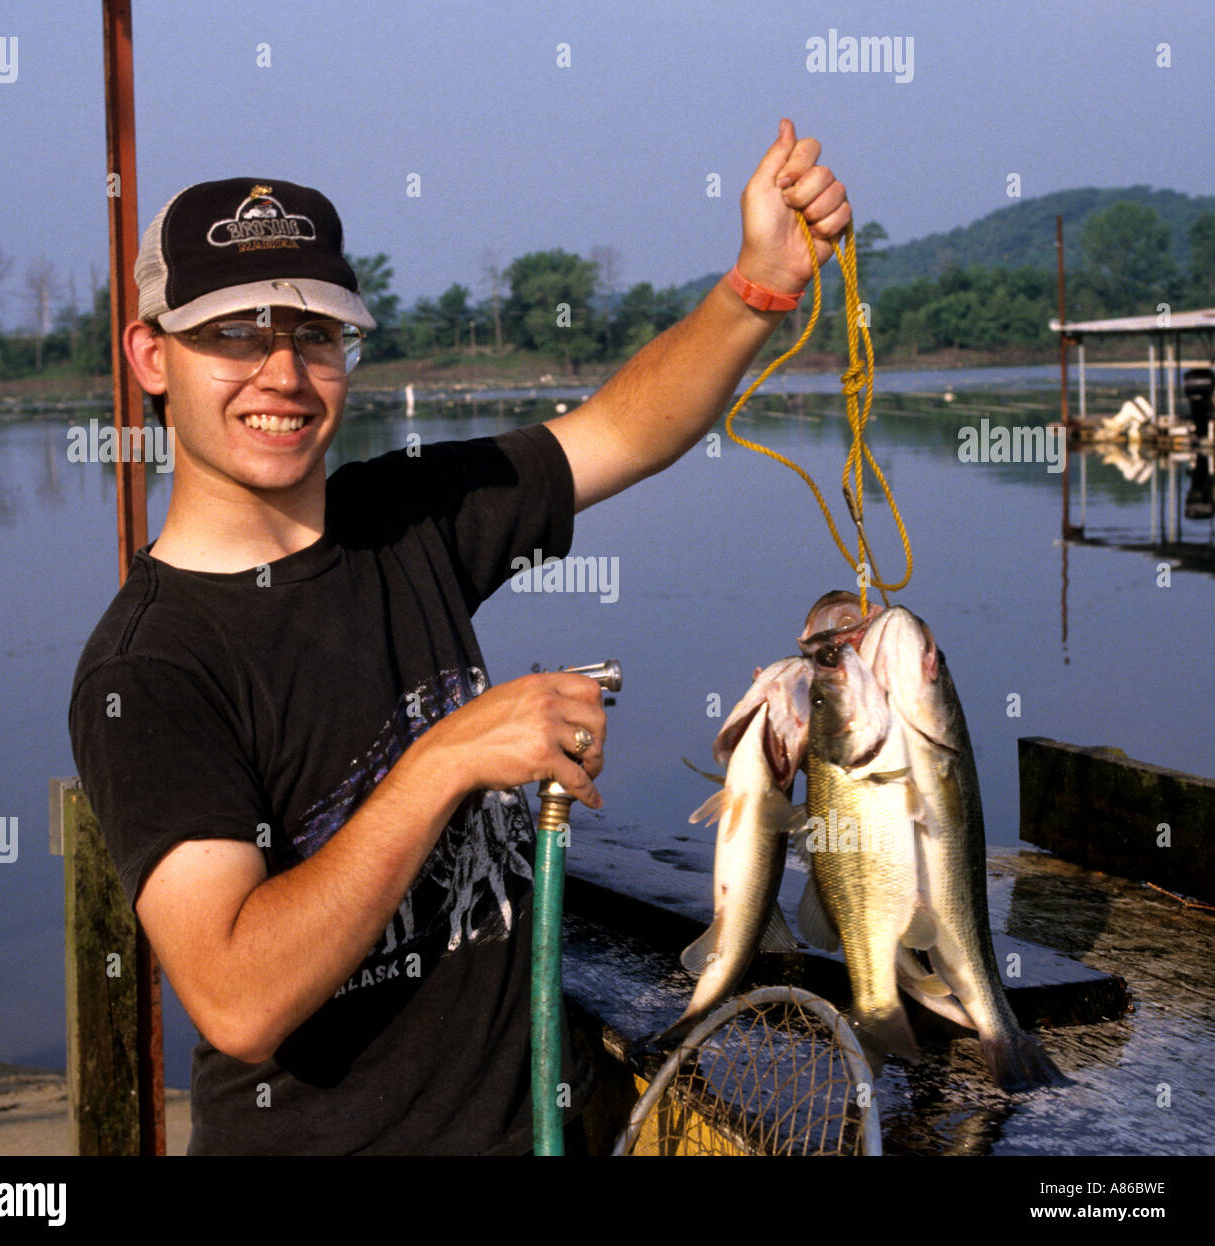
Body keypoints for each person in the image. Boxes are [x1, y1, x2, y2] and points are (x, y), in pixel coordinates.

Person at [69, 119, 851, 1155]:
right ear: (150, 357)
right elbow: (237, 996)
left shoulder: (405, 516)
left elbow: (623, 429)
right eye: (234, 334)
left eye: (313, 334)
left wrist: (759, 283)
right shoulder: (149, 670)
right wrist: (445, 758)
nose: (282, 374)